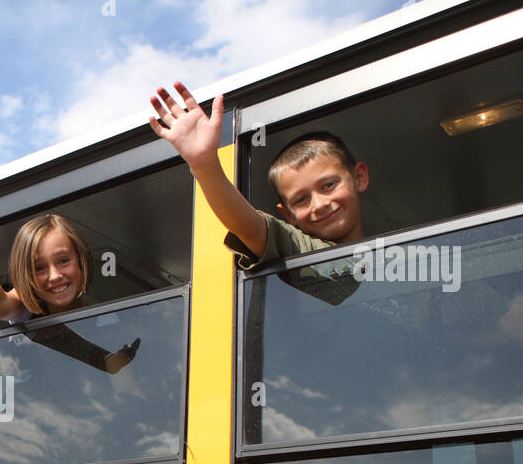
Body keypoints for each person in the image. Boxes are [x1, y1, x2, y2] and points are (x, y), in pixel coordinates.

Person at [148, 82, 369, 304]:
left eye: (329, 185)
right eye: (301, 199)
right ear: (289, 215)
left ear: (359, 177)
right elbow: (250, 228)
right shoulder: (307, 251)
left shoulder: (392, 253)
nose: (319, 204)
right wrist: (205, 165)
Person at [0, 215, 139, 373]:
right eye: (39, 268)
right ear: (26, 274)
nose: (54, 275)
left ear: (81, 260)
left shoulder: (107, 317)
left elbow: (116, 372)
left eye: (63, 261)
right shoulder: (27, 308)